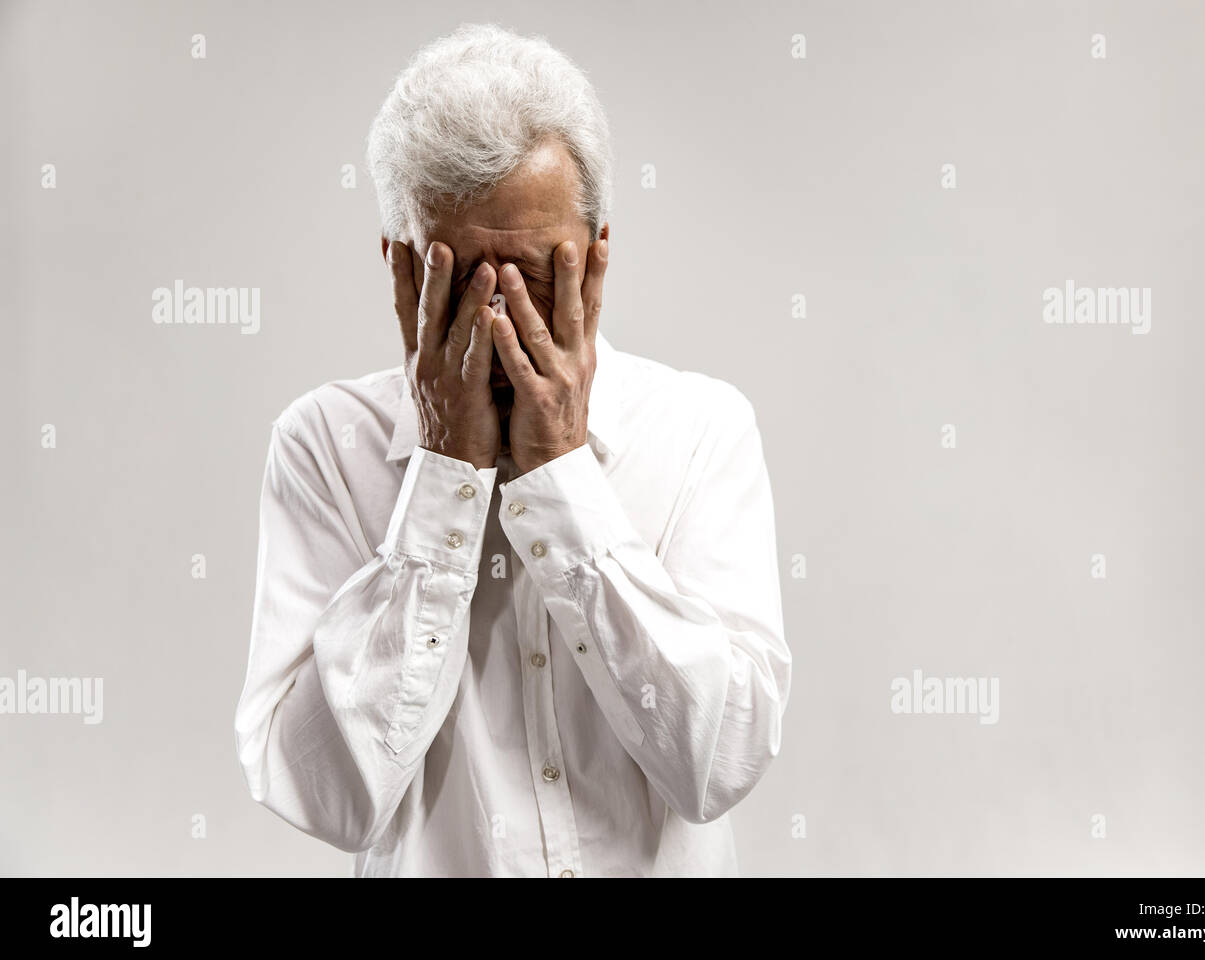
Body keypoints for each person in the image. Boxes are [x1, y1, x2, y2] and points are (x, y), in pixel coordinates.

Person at [234, 22, 792, 876]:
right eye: (463, 283)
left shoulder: (702, 429)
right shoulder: (321, 445)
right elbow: (326, 796)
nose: (497, 325)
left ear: (596, 261)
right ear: (400, 272)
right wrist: (443, 475)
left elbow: (717, 764)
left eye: (531, 280)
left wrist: (563, 477)